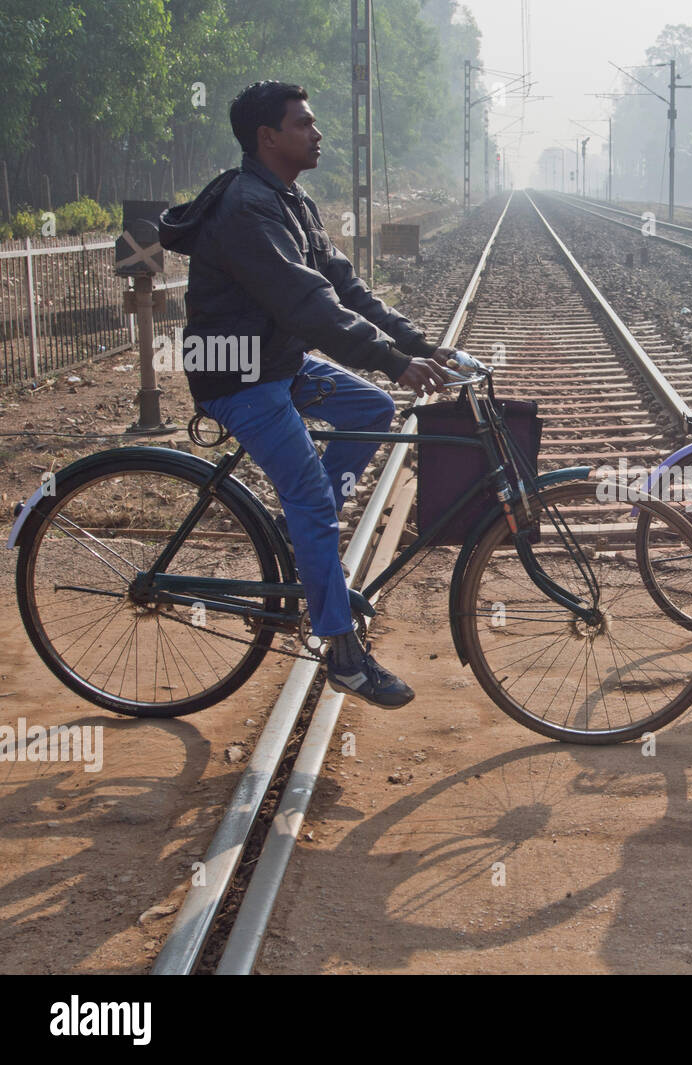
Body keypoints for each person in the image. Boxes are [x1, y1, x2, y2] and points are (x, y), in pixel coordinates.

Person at [160, 81, 452, 706]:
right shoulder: (247, 209)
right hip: (235, 374)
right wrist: (393, 362)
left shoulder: (290, 201)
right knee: (316, 500)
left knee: (369, 408)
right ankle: (342, 656)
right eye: (304, 124)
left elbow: (345, 287)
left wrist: (419, 344)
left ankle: (298, 531)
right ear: (268, 137)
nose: (317, 134)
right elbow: (309, 305)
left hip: (275, 365)